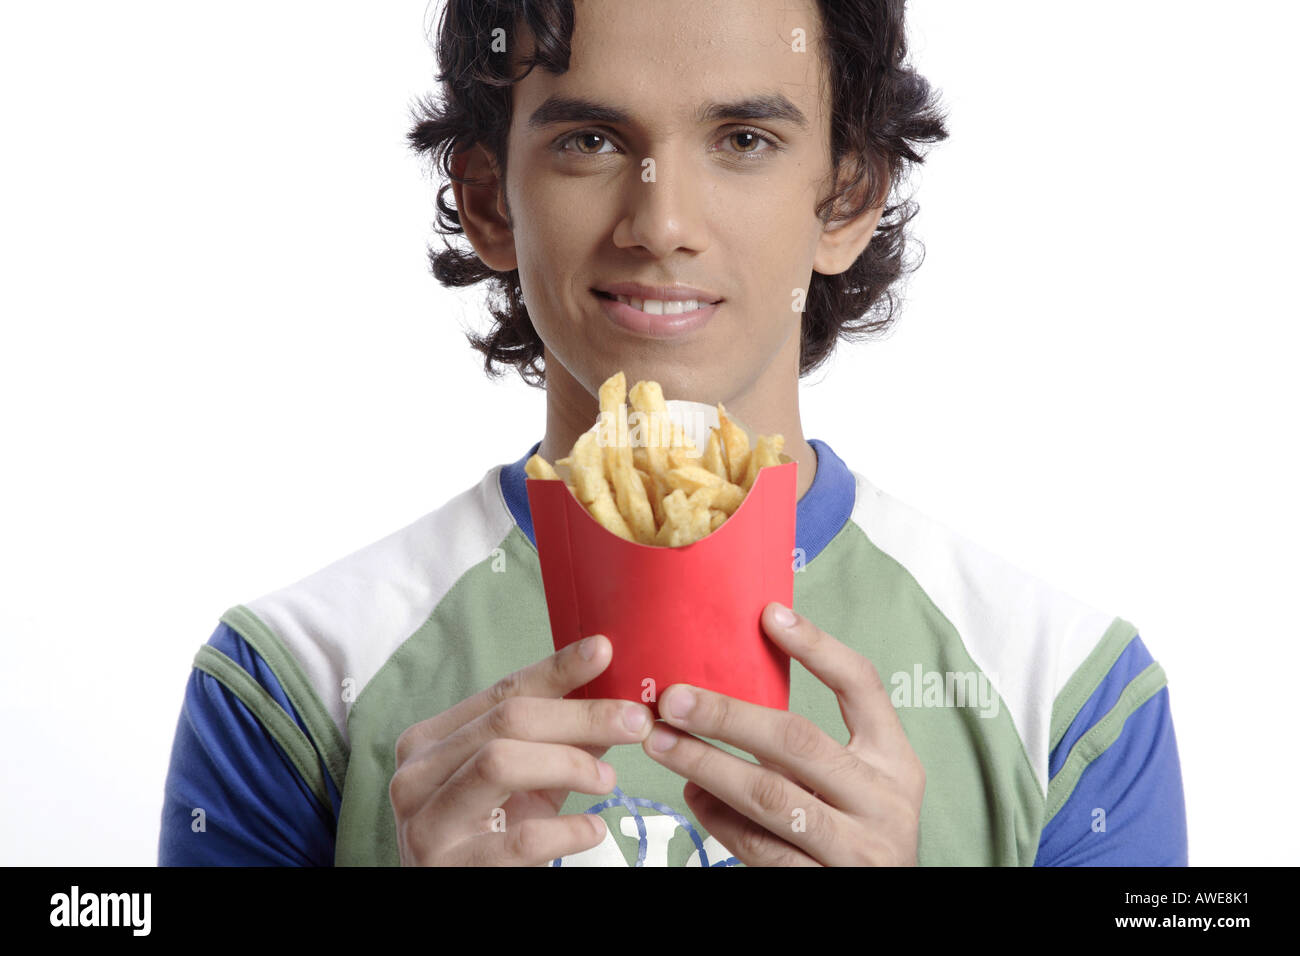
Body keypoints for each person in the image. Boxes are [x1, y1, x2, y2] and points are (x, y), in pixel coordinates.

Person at [158, 0, 1187, 866]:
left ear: (848, 195)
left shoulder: (1068, 691)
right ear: (487, 199)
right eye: (589, 140)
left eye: (743, 140)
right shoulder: (287, 680)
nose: (660, 223)